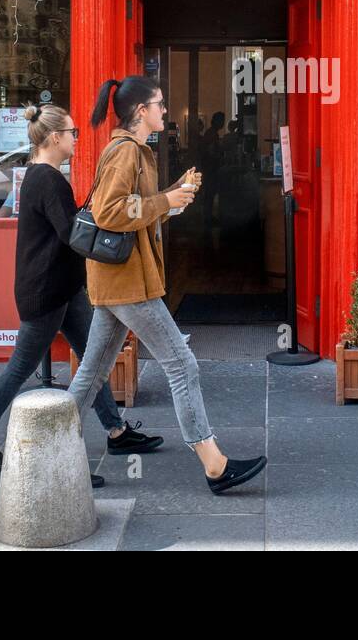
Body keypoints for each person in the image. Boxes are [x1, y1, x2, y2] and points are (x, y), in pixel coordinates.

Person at [69, 76, 268, 494]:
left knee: (93, 373)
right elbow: (109, 213)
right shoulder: (126, 152)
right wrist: (164, 201)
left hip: (115, 280)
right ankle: (215, 465)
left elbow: (133, 211)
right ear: (141, 111)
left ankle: (46, 450)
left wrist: (174, 195)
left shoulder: (131, 150)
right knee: (182, 364)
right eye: (160, 104)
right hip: (130, 283)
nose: (165, 110)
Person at [0, 103, 163, 484]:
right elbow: (72, 234)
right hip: (47, 290)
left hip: (62, 286)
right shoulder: (47, 180)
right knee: (22, 367)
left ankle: (116, 432)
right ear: (54, 138)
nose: (75, 139)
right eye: (72, 133)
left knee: (94, 359)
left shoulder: (41, 177)